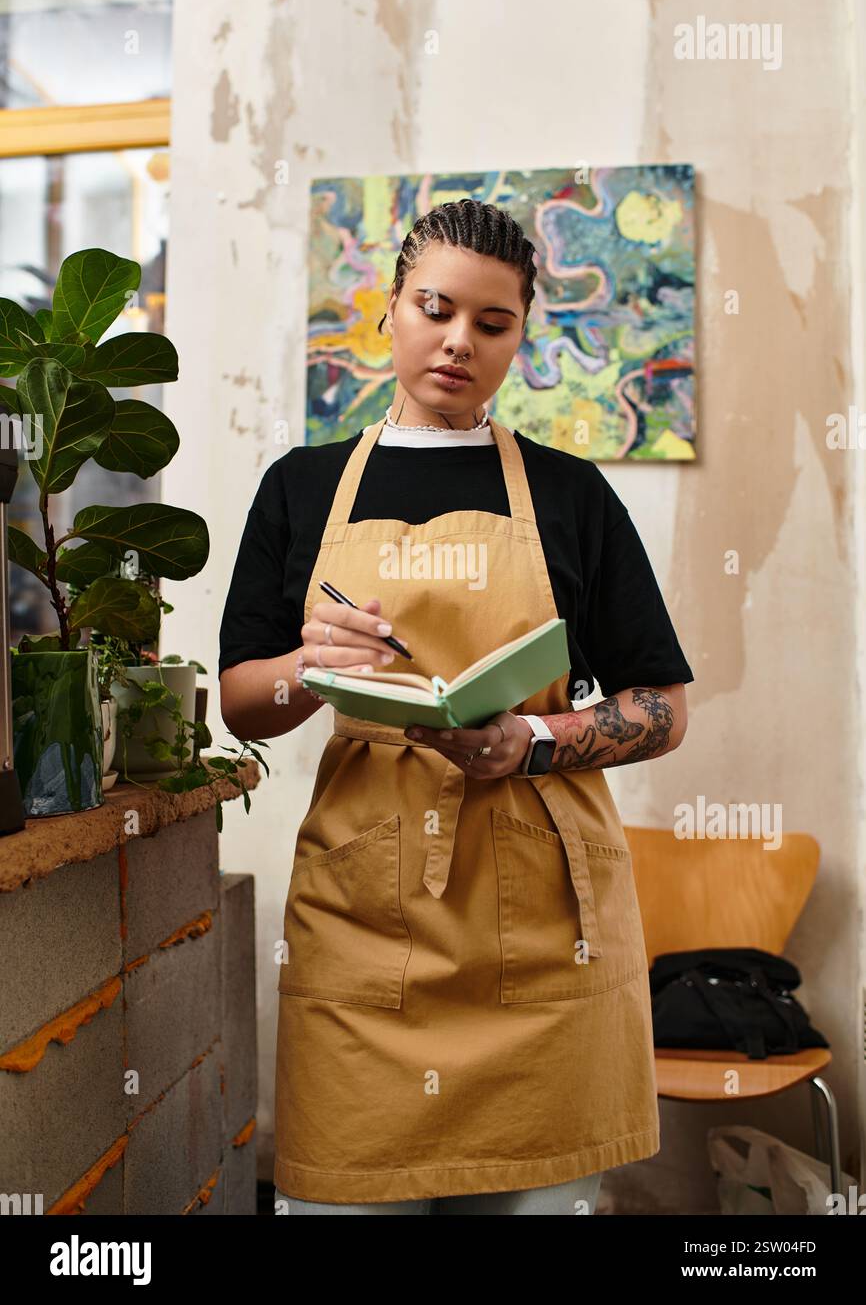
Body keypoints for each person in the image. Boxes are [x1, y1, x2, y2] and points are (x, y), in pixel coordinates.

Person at [219, 198, 694, 1216]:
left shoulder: (570, 494)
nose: (456, 341)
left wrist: (529, 737)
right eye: (434, 308)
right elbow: (240, 704)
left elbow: (660, 704)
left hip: (545, 941)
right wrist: (306, 664)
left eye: (492, 323)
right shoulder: (300, 489)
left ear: (521, 335)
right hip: (363, 927)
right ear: (388, 308)